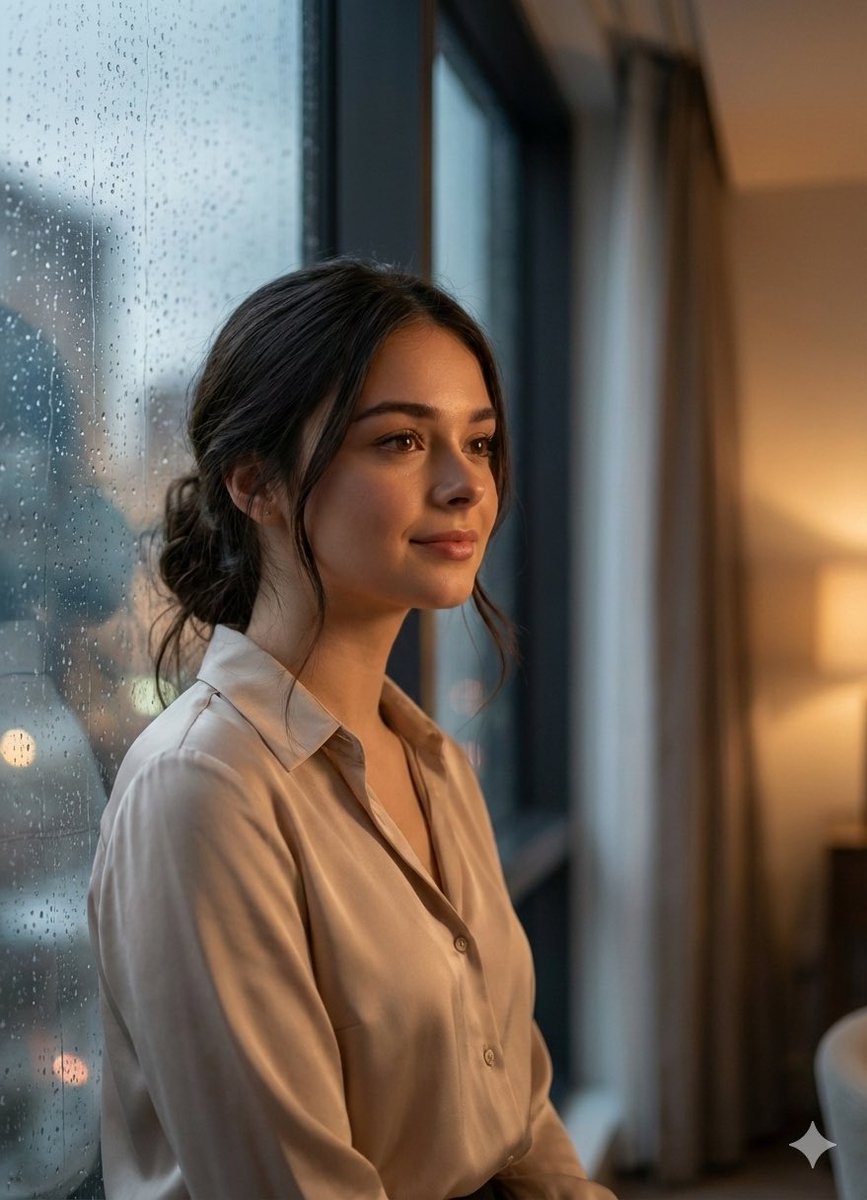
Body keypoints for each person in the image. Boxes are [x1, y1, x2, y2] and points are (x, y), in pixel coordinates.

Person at [88, 259, 617, 1200]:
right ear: (254, 481)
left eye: (481, 442)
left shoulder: (434, 761)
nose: (467, 486)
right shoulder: (203, 790)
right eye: (402, 441)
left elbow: (519, 1117)